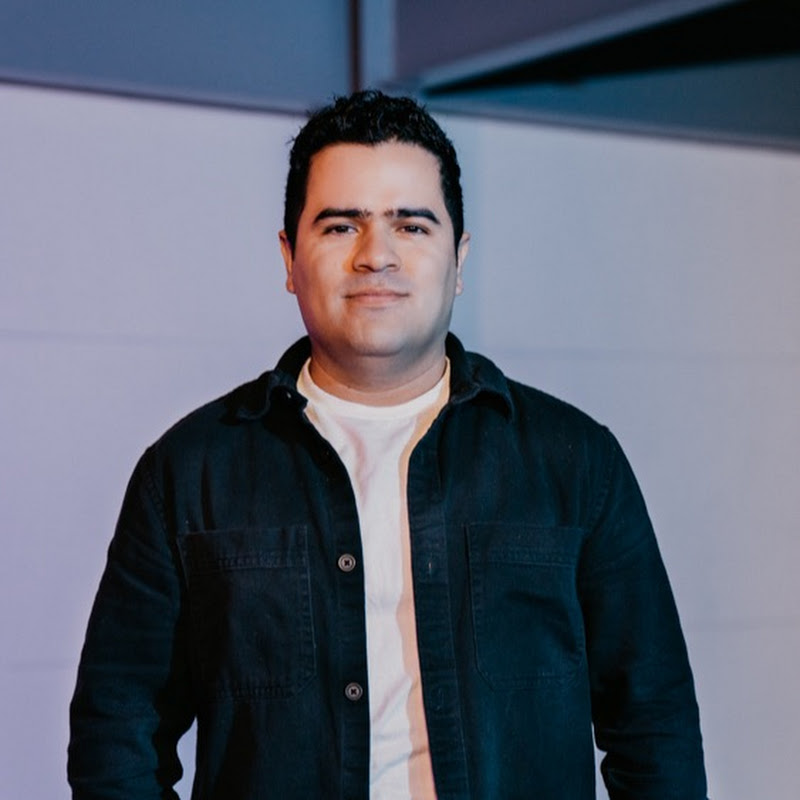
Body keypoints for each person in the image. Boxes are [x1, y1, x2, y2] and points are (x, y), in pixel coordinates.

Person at [68, 90, 708, 799]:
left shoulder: (577, 463)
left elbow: (654, 728)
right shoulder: (189, 473)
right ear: (289, 258)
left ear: (458, 258)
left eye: (412, 225)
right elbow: (116, 735)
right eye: (341, 225)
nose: (376, 255)